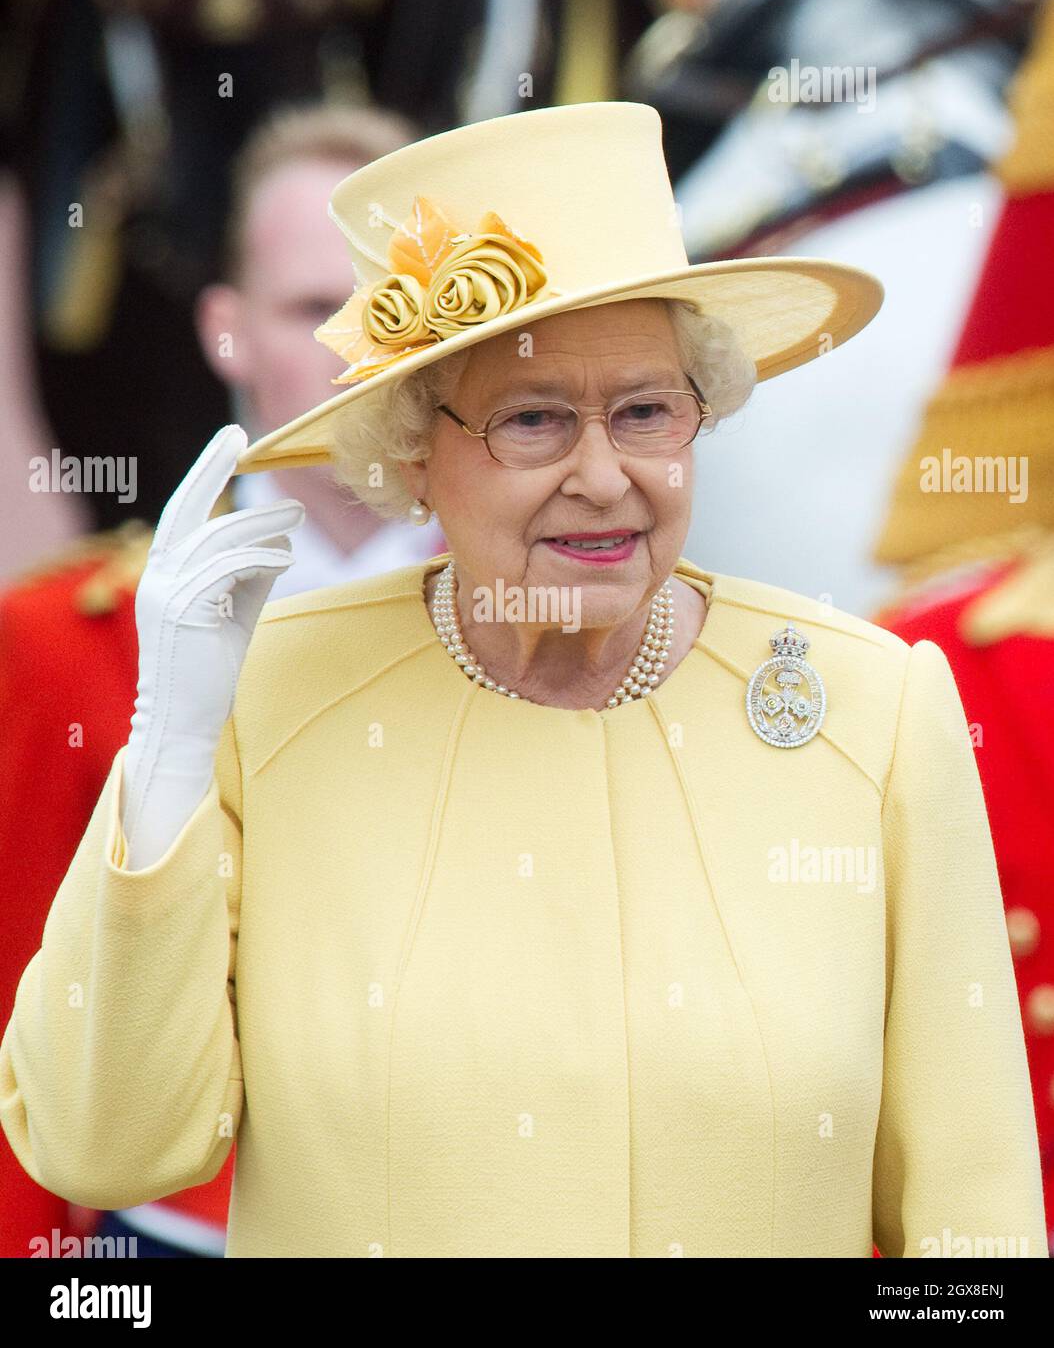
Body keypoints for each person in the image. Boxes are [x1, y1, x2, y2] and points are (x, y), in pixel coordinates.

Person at [1, 101, 1046, 1258]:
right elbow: (105, 1148)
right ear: (411, 450)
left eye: (647, 412)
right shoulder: (272, 700)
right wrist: (172, 750)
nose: (604, 478)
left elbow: (973, 1234)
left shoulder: (872, 706)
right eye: (534, 421)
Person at [0, 102, 441, 1258]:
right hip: (163, 1234)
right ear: (224, 328)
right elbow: (18, 995)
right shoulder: (56, 640)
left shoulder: (545, 626)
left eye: (394, 311)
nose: (357, 349)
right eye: (313, 309)